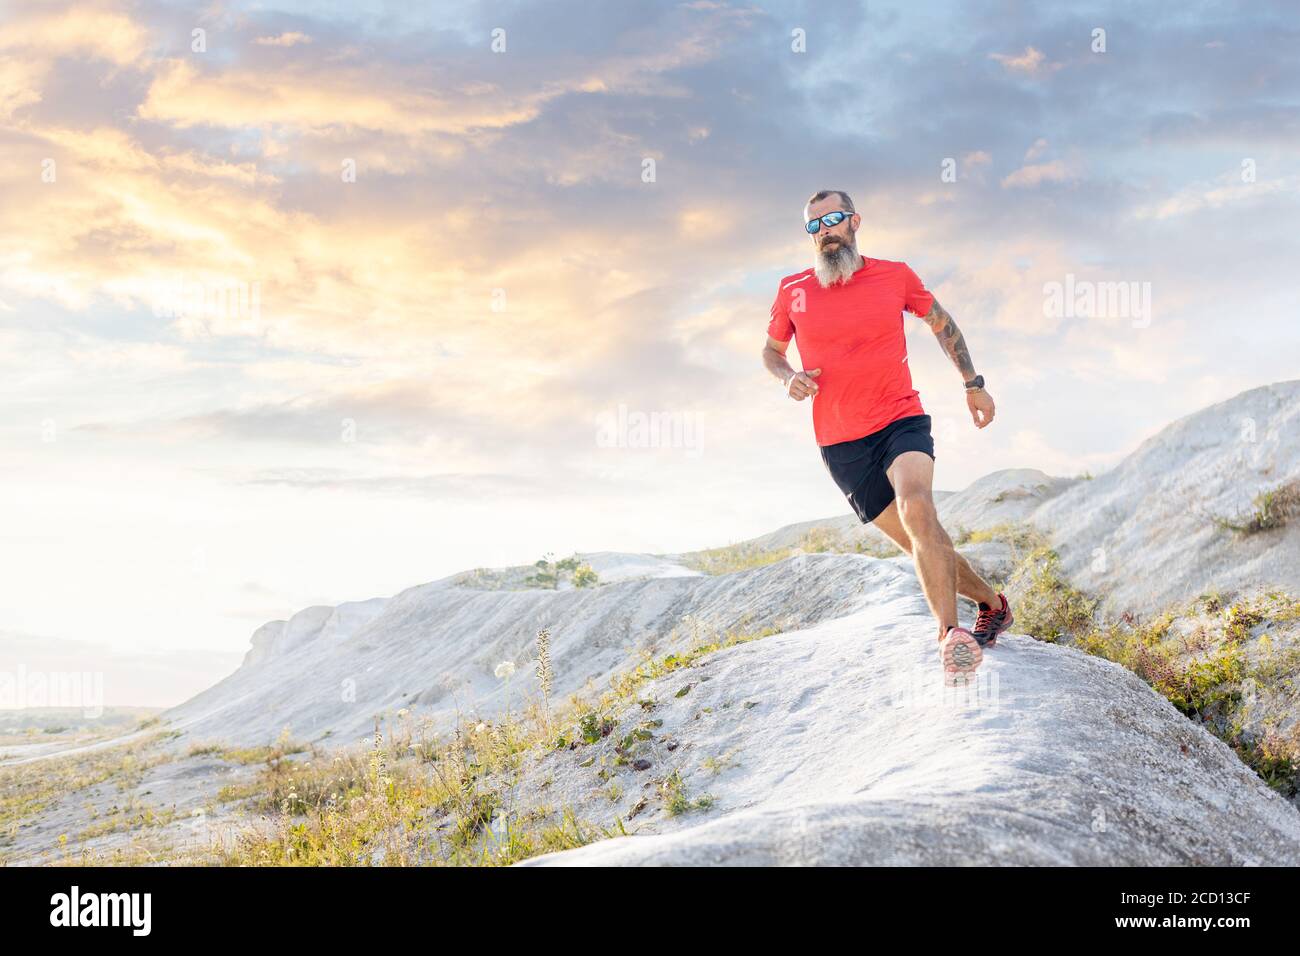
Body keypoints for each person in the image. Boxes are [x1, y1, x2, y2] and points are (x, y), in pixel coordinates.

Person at [761, 189, 1013, 679]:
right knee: (920, 541)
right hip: (840, 442)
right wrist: (787, 376)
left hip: (900, 420)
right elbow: (770, 351)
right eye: (814, 225)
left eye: (832, 219)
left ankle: (950, 636)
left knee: (917, 508)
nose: (824, 231)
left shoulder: (894, 275)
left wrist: (973, 384)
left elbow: (943, 324)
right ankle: (992, 605)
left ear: (854, 221)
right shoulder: (792, 289)